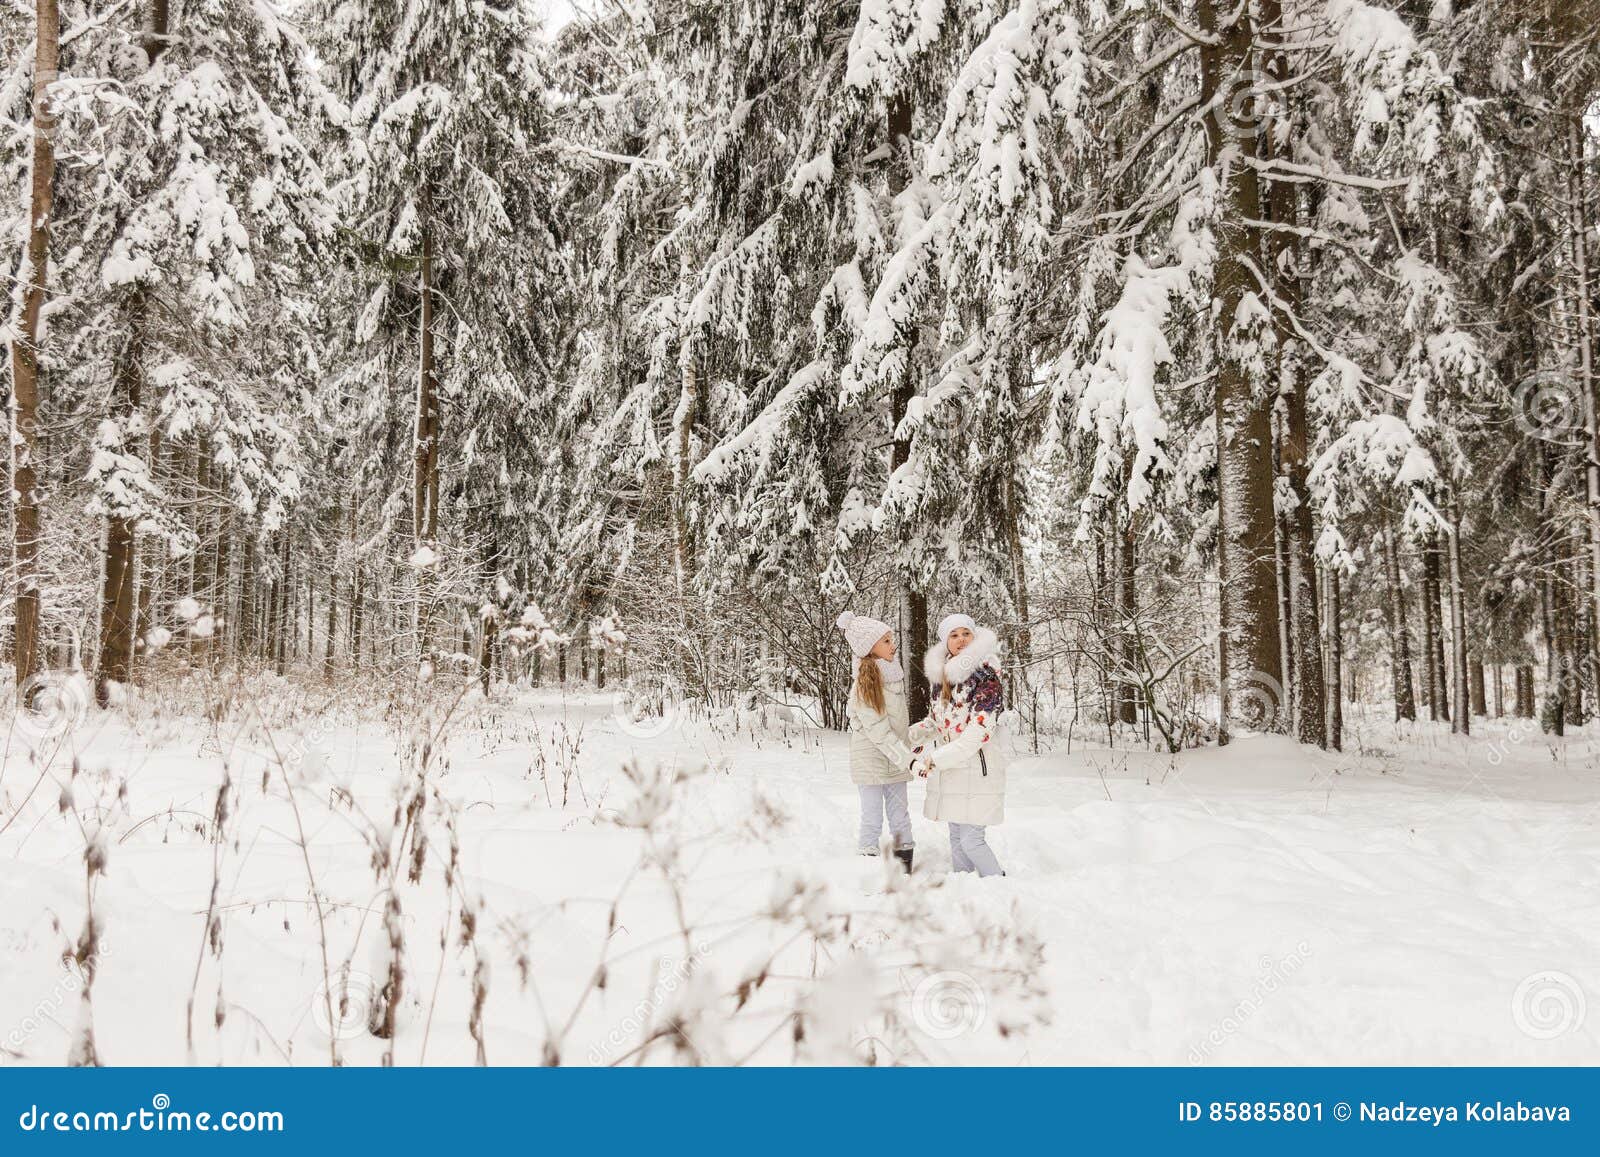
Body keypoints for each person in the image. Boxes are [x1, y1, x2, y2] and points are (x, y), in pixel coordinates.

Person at [837, 611, 931, 872]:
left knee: (900, 815)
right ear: (870, 648)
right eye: (886, 641)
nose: (894, 645)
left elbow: (894, 727)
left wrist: (915, 738)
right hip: (870, 761)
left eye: (892, 639)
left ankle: (904, 870)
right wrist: (909, 760)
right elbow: (878, 731)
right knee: (872, 817)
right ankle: (866, 870)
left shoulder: (893, 678)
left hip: (895, 758)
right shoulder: (865, 685)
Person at [915, 613, 1007, 877]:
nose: (961, 639)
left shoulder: (985, 676)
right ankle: (965, 890)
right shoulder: (942, 679)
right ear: (946, 642)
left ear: (974, 636)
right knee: (956, 837)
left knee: (971, 840)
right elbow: (938, 721)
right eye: (954, 635)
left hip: (978, 767)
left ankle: (999, 885)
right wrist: (913, 734)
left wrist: (941, 757)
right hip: (953, 768)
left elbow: (980, 728)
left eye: (966, 633)